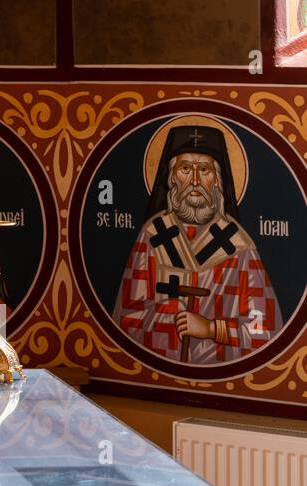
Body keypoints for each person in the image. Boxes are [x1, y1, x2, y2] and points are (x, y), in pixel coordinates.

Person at [112, 125, 278, 364]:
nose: (196, 180)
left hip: (219, 368)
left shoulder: (239, 246)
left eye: (205, 169)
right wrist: (169, 316)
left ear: (218, 181)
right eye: (186, 169)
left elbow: (265, 327)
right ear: (171, 178)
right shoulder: (151, 236)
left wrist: (212, 329)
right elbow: (126, 320)